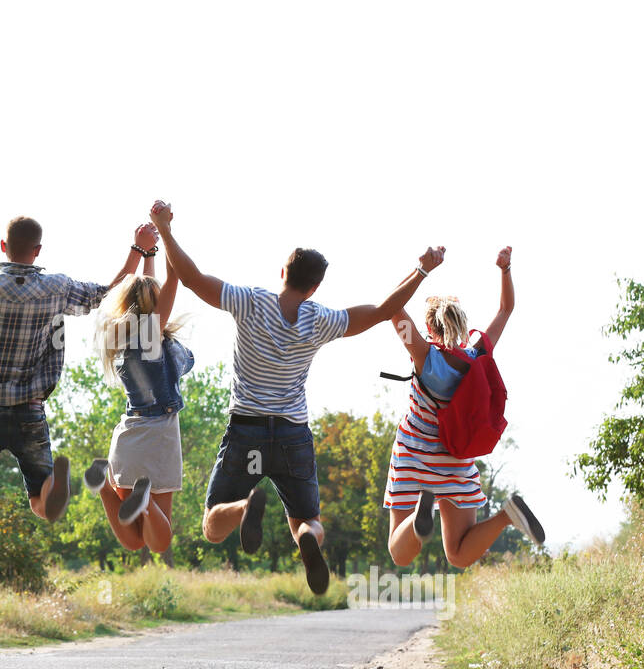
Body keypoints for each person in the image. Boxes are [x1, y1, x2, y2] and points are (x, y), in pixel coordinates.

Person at [151, 200, 445, 594]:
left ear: (283, 272)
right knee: (308, 523)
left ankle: (241, 508)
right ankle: (306, 537)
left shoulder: (249, 301)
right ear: (315, 287)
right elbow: (382, 310)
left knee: (211, 527)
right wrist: (422, 269)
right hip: (293, 434)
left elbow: (191, 278)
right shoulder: (322, 319)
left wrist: (165, 229)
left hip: (247, 430)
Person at [0, 189, 149, 523]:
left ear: (3, 246)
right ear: (38, 250)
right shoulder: (56, 289)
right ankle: (52, 485)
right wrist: (138, 249)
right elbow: (107, 295)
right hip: (29, 411)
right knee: (42, 506)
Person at [384, 246, 544, 569]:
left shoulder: (423, 354)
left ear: (430, 329)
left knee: (399, 554)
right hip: (456, 461)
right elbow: (506, 308)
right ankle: (506, 515)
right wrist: (505, 269)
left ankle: (419, 518)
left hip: (414, 456)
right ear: (461, 324)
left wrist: (422, 269)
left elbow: (392, 306)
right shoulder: (478, 353)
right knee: (458, 554)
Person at [83, 222, 192, 554]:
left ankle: (104, 484)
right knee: (159, 545)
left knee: (134, 542)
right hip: (158, 436)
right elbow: (172, 282)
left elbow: (153, 287)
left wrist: (149, 252)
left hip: (130, 436)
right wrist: (166, 231)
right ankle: (143, 501)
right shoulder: (153, 337)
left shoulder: (126, 338)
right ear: (156, 303)